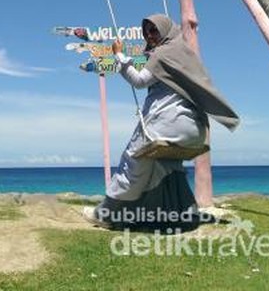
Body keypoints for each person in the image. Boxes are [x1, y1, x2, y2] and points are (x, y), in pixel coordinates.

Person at [83, 13, 239, 232]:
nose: (149, 35)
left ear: (165, 30)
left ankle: (105, 213)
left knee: (132, 162)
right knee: (164, 166)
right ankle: (177, 213)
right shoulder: (184, 52)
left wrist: (119, 56)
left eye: (154, 30)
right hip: (195, 130)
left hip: (167, 123)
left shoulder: (163, 53)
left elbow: (139, 81)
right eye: (146, 32)